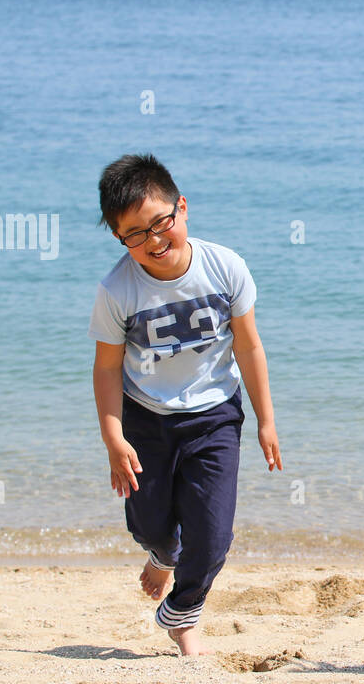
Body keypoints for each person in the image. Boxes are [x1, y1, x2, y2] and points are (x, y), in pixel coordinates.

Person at [89, 153, 281, 656]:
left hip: (215, 415)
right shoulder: (117, 291)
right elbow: (107, 367)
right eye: (135, 234)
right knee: (151, 524)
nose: (153, 241)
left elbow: (249, 345)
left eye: (161, 223)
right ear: (118, 238)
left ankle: (182, 612)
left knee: (213, 533)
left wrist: (266, 420)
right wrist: (113, 436)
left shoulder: (225, 267)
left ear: (182, 209)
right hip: (145, 419)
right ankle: (162, 553)